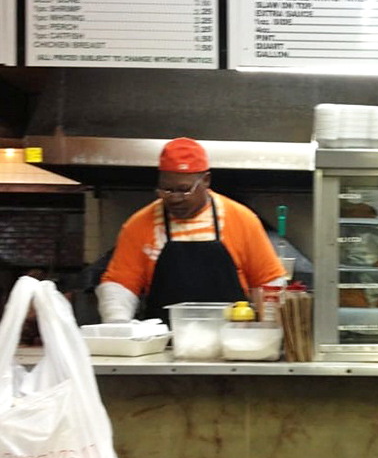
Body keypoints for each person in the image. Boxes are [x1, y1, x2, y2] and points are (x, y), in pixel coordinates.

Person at [96, 137, 287, 322]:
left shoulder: (241, 220)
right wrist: (117, 324)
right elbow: (120, 284)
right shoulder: (139, 225)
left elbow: (269, 283)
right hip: (165, 347)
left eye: (184, 189)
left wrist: (270, 330)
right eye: (166, 190)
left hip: (232, 344)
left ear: (206, 180)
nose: (175, 198)